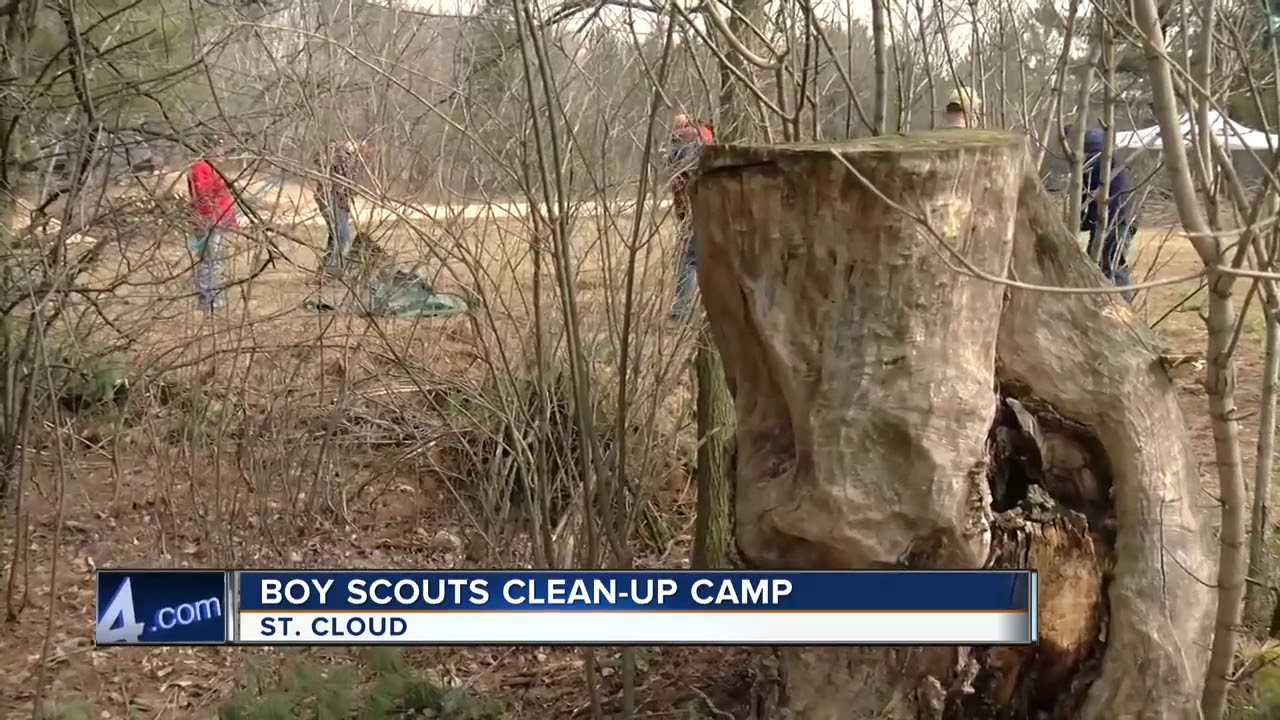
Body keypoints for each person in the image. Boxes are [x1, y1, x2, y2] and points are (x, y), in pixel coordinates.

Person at [1080, 127, 1138, 302]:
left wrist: (1082, 221)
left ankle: (1120, 303)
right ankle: (1109, 299)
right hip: (1125, 218)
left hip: (1113, 220)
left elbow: (1087, 195)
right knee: (1106, 259)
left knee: (1109, 261)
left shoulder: (1093, 163)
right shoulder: (1113, 160)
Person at [668, 113, 714, 322]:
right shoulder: (705, 138)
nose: (675, 133)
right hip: (700, 208)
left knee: (688, 260)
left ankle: (682, 311)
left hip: (693, 209)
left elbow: (682, 176)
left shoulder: (688, 143)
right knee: (696, 258)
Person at [186, 151, 239, 311]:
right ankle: (207, 299)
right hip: (208, 220)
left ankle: (213, 296)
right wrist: (214, 216)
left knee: (216, 260)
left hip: (220, 218)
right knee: (210, 260)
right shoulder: (200, 167)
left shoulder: (213, 168)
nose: (222, 154)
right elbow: (203, 194)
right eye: (219, 150)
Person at [314, 140, 359, 277]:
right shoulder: (342, 158)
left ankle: (326, 267)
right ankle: (331, 269)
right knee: (342, 237)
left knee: (335, 236)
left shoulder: (342, 160)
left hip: (331, 201)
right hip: (333, 202)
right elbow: (345, 184)